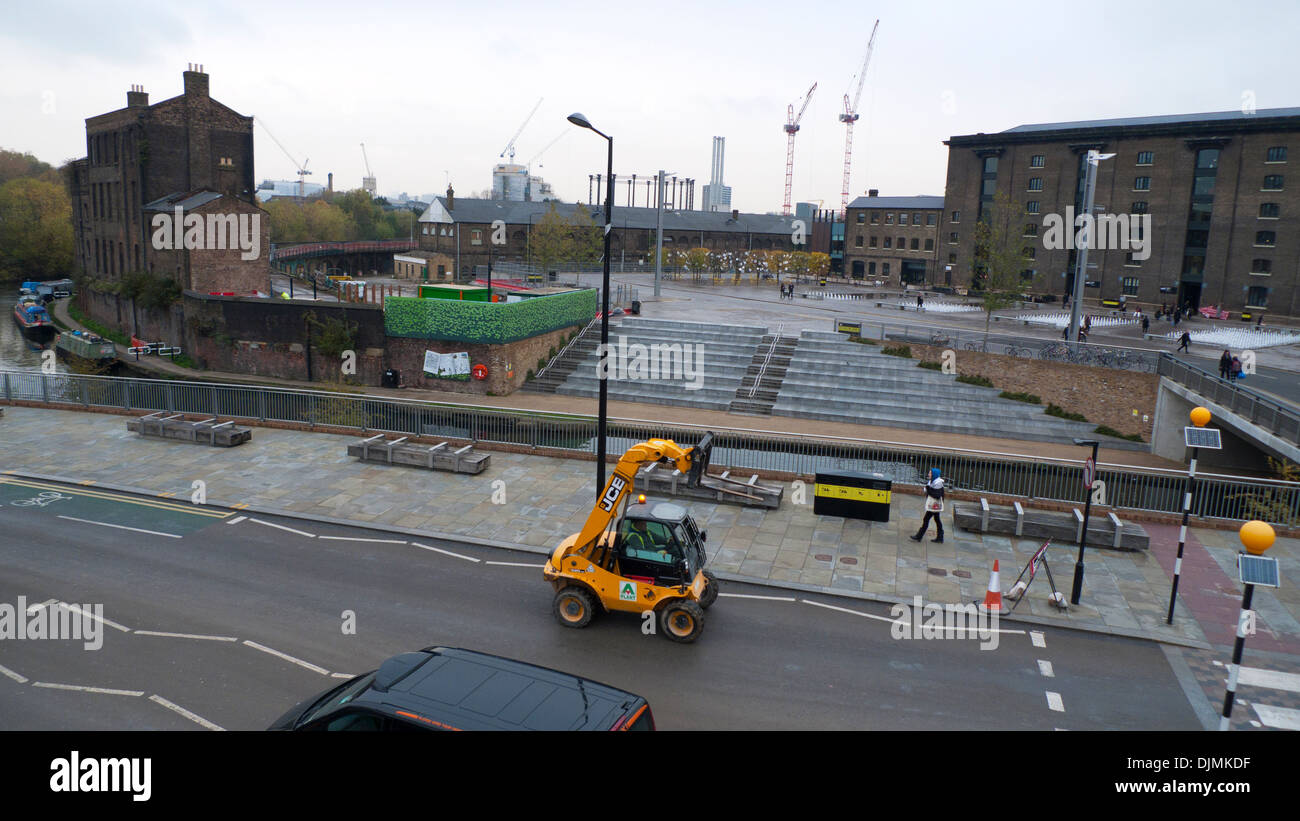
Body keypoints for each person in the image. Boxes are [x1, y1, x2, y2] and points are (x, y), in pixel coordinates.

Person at [910, 469, 945, 543]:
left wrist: (928, 489)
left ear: (934, 474)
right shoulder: (933, 481)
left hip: (934, 506)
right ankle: (940, 537)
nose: (928, 474)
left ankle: (919, 536)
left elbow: (937, 495)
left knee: (926, 519)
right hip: (935, 506)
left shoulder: (938, 483)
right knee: (937, 520)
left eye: (930, 473)